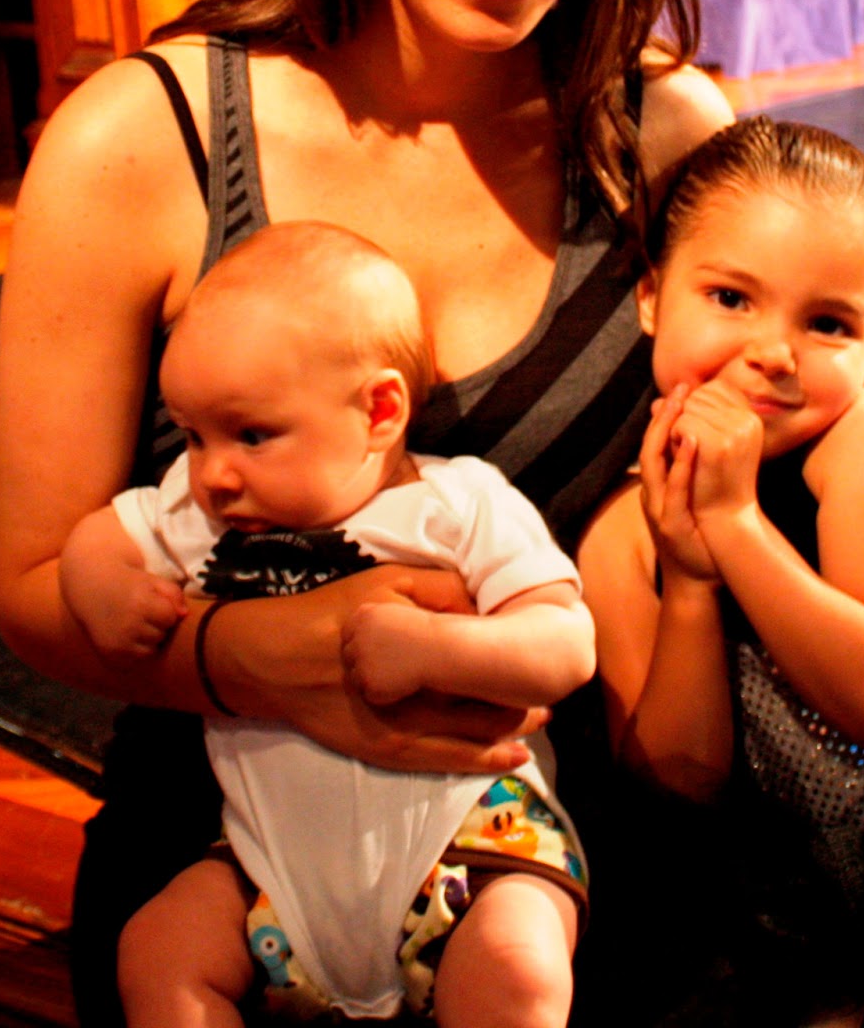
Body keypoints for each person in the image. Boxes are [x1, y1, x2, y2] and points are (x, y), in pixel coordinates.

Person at [0, 0, 734, 1026]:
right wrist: (264, 661)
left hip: (552, 856)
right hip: (227, 840)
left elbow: (773, 435)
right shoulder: (143, 140)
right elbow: (30, 590)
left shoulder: (660, 138)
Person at [60, 220, 594, 1026]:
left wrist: (436, 648)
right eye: (193, 436)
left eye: (252, 435)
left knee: (518, 971)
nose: (213, 474)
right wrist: (101, 589)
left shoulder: (456, 505)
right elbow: (95, 538)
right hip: (270, 864)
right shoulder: (199, 512)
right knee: (156, 950)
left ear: (379, 411)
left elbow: (566, 643)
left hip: (469, 847)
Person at [579, 116, 864, 1022]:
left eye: (826, 324)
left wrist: (734, 527)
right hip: (813, 903)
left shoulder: (861, 440)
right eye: (730, 298)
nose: (774, 351)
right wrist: (688, 583)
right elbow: (679, 784)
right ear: (652, 297)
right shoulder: (621, 532)